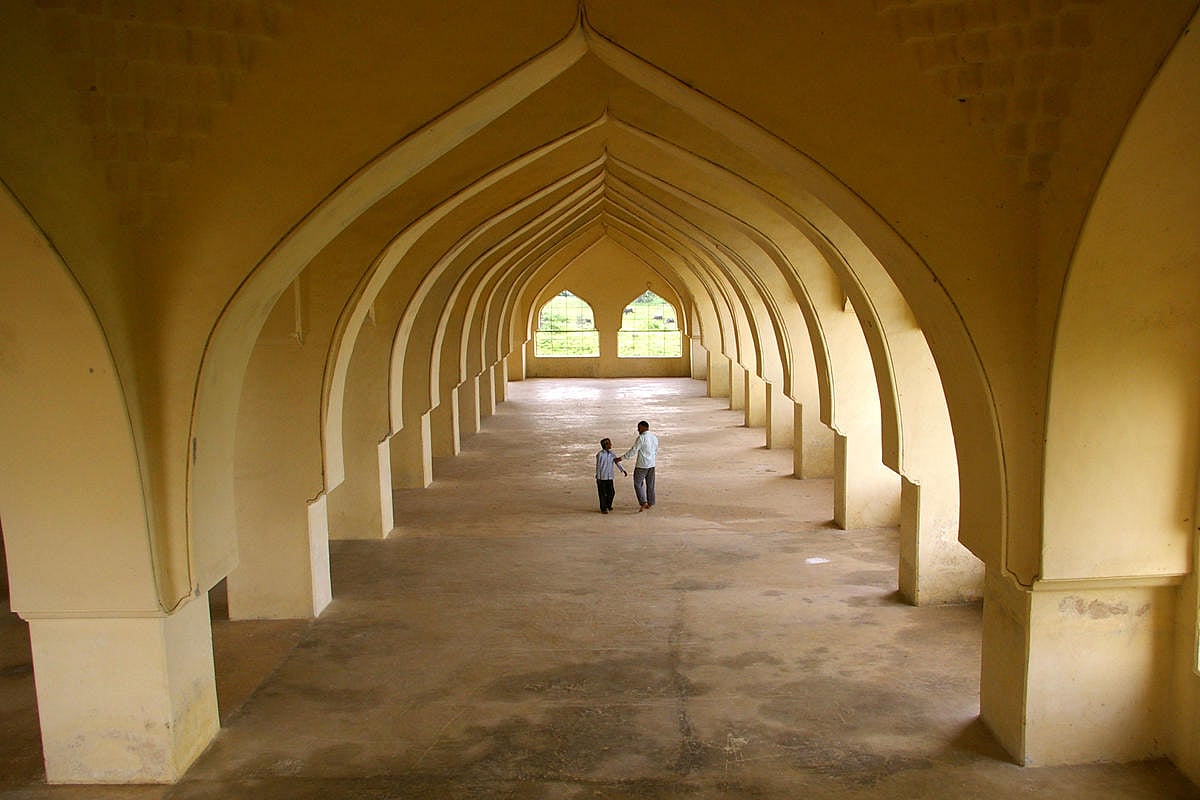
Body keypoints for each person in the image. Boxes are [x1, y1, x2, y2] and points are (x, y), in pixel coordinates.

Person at [622, 420, 659, 511]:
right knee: (650, 484)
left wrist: (622, 458)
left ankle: (643, 502)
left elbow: (634, 450)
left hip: (641, 465)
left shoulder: (641, 438)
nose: (638, 429)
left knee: (637, 483)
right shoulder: (654, 437)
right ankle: (650, 502)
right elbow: (655, 450)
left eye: (639, 427)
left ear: (644, 427)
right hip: (651, 465)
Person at [594, 438, 627, 514]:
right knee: (602, 493)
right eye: (609, 443)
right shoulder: (600, 455)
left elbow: (616, 462)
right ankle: (603, 508)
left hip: (610, 476)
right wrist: (598, 477)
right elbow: (598, 466)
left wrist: (622, 470)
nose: (611, 445)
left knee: (611, 492)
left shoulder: (612, 454)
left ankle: (608, 505)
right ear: (605, 445)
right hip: (602, 477)